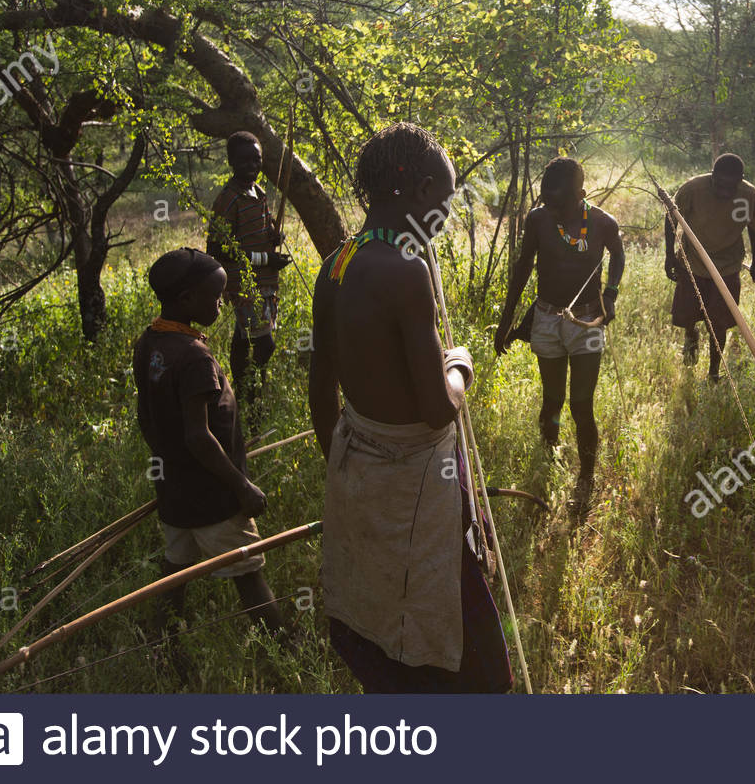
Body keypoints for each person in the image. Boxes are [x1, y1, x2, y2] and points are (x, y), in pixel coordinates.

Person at [309, 122, 512, 693]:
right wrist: (459, 367)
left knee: (375, 612)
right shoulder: (404, 268)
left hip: (360, 468)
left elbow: (320, 389)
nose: (448, 212)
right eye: (446, 199)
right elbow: (435, 409)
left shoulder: (338, 262)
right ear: (422, 191)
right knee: (458, 644)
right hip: (418, 481)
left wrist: (348, 470)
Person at [133, 247, 284, 645]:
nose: (223, 302)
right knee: (249, 574)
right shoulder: (195, 358)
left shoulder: (149, 343)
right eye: (216, 297)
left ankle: (161, 649)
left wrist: (171, 467)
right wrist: (241, 487)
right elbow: (198, 436)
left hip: (175, 494)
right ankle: (287, 648)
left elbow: (146, 418)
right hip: (214, 496)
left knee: (175, 573)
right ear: (186, 300)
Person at [494, 157, 625, 513]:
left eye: (560, 203)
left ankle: (585, 478)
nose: (552, 209)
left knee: (582, 405)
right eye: (546, 201)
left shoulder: (602, 223)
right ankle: (549, 462)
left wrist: (610, 295)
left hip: (587, 322)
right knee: (551, 399)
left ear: (582, 194)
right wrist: (507, 323)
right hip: (547, 319)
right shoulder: (538, 220)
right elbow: (522, 269)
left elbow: (618, 255)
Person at [206, 131, 292, 429]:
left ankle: (248, 403)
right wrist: (265, 259)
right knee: (264, 344)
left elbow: (263, 234)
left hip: (267, 282)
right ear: (231, 162)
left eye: (256, 159)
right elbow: (217, 249)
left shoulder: (260, 194)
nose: (252, 165)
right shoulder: (228, 199)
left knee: (246, 338)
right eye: (244, 160)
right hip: (243, 284)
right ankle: (248, 390)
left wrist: (273, 237)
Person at [665, 153, 755, 382]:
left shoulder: (748, 194)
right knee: (689, 314)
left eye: (729, 186)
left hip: (727, 266)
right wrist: (668, 256)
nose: (723, 190)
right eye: (718, 184)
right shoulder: (692, 188)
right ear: (712, 176)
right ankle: (691, 335)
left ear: (740, 180)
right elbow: (671, 218)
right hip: (692, 263)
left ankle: (714, 371)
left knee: (719, 322)